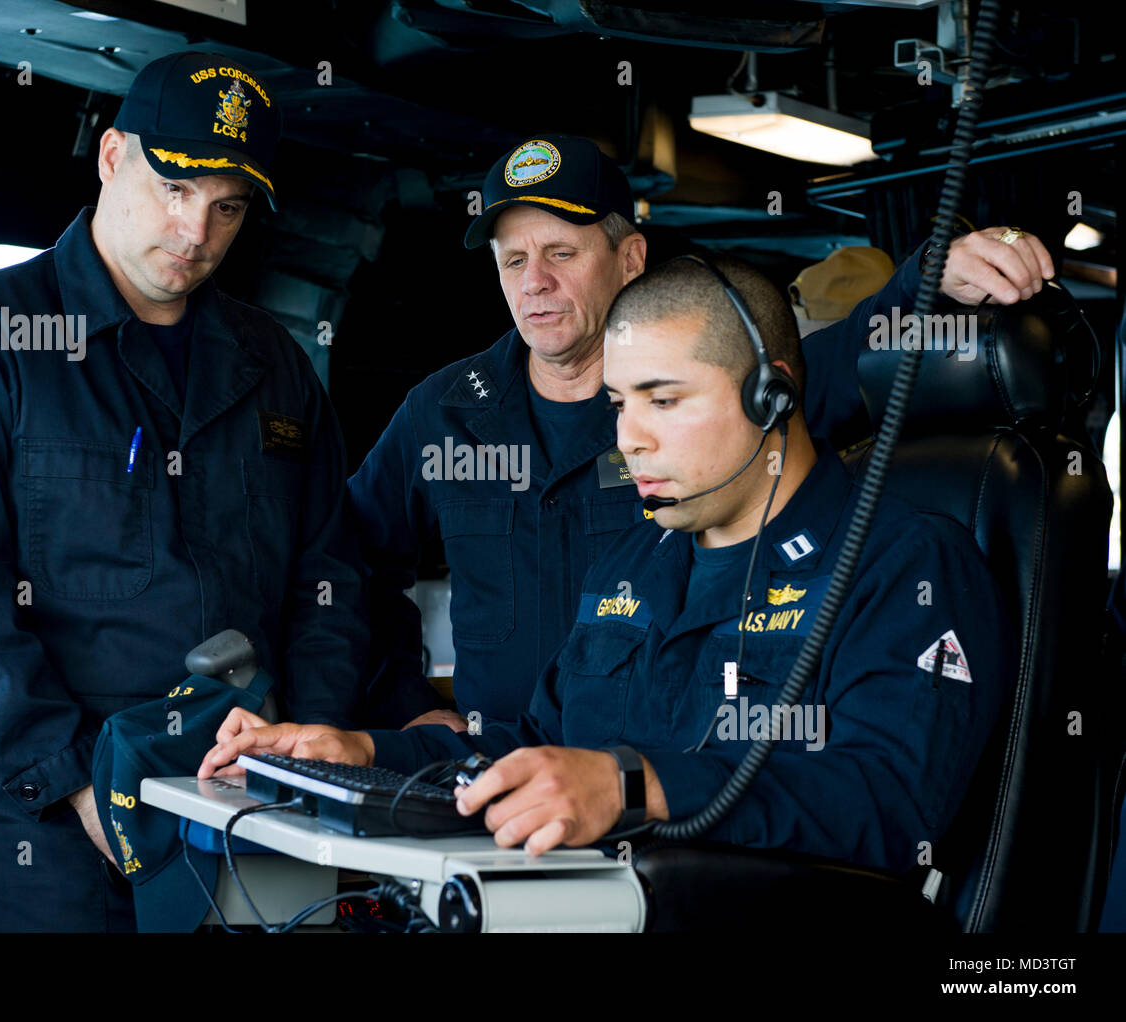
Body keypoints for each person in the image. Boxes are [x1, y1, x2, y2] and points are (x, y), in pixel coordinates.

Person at [201, 253, 1014, 872]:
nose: (630, 439)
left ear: (774, 393)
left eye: (664, 400)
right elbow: (534, 744)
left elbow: (893, 799)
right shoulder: (635, 564)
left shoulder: (903, 565)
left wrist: (634, 785)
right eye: (621, 405)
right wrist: (367, 753)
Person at [0, 51, 368, 932]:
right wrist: (74, 789)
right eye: (174, 188)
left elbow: (327, 580)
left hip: (238, 799)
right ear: (110, 157)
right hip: (41, 818)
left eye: (227, 206)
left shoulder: (277, 369)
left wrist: (309, 761)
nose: (194, 230)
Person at [351, 133, 1051, 735]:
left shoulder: (727, 386)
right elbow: (348, 558)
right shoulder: (441, 414)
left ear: (630, 260)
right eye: (514, 260)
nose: (534, 283)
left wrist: (931, 277)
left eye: (561, 254)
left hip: (648, 781)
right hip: (491, 775)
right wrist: (403, 702)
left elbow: (847, 354)